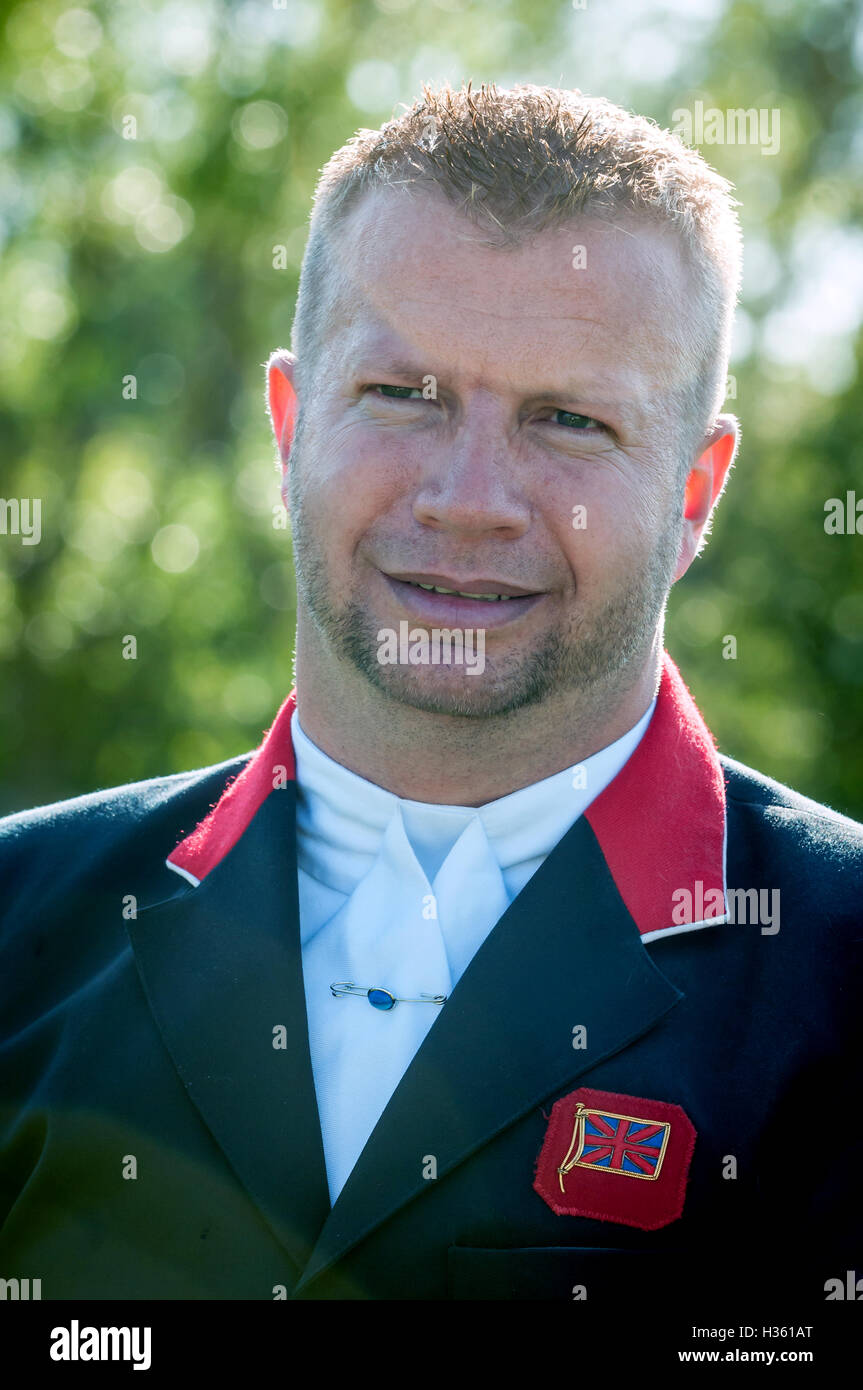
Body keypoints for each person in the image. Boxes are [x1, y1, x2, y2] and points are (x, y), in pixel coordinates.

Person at [0, 82, 860, 1306]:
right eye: (402, 395)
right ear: (290, 429)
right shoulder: (19, 929)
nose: (468, 497)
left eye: (568, 419)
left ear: (691, 492)